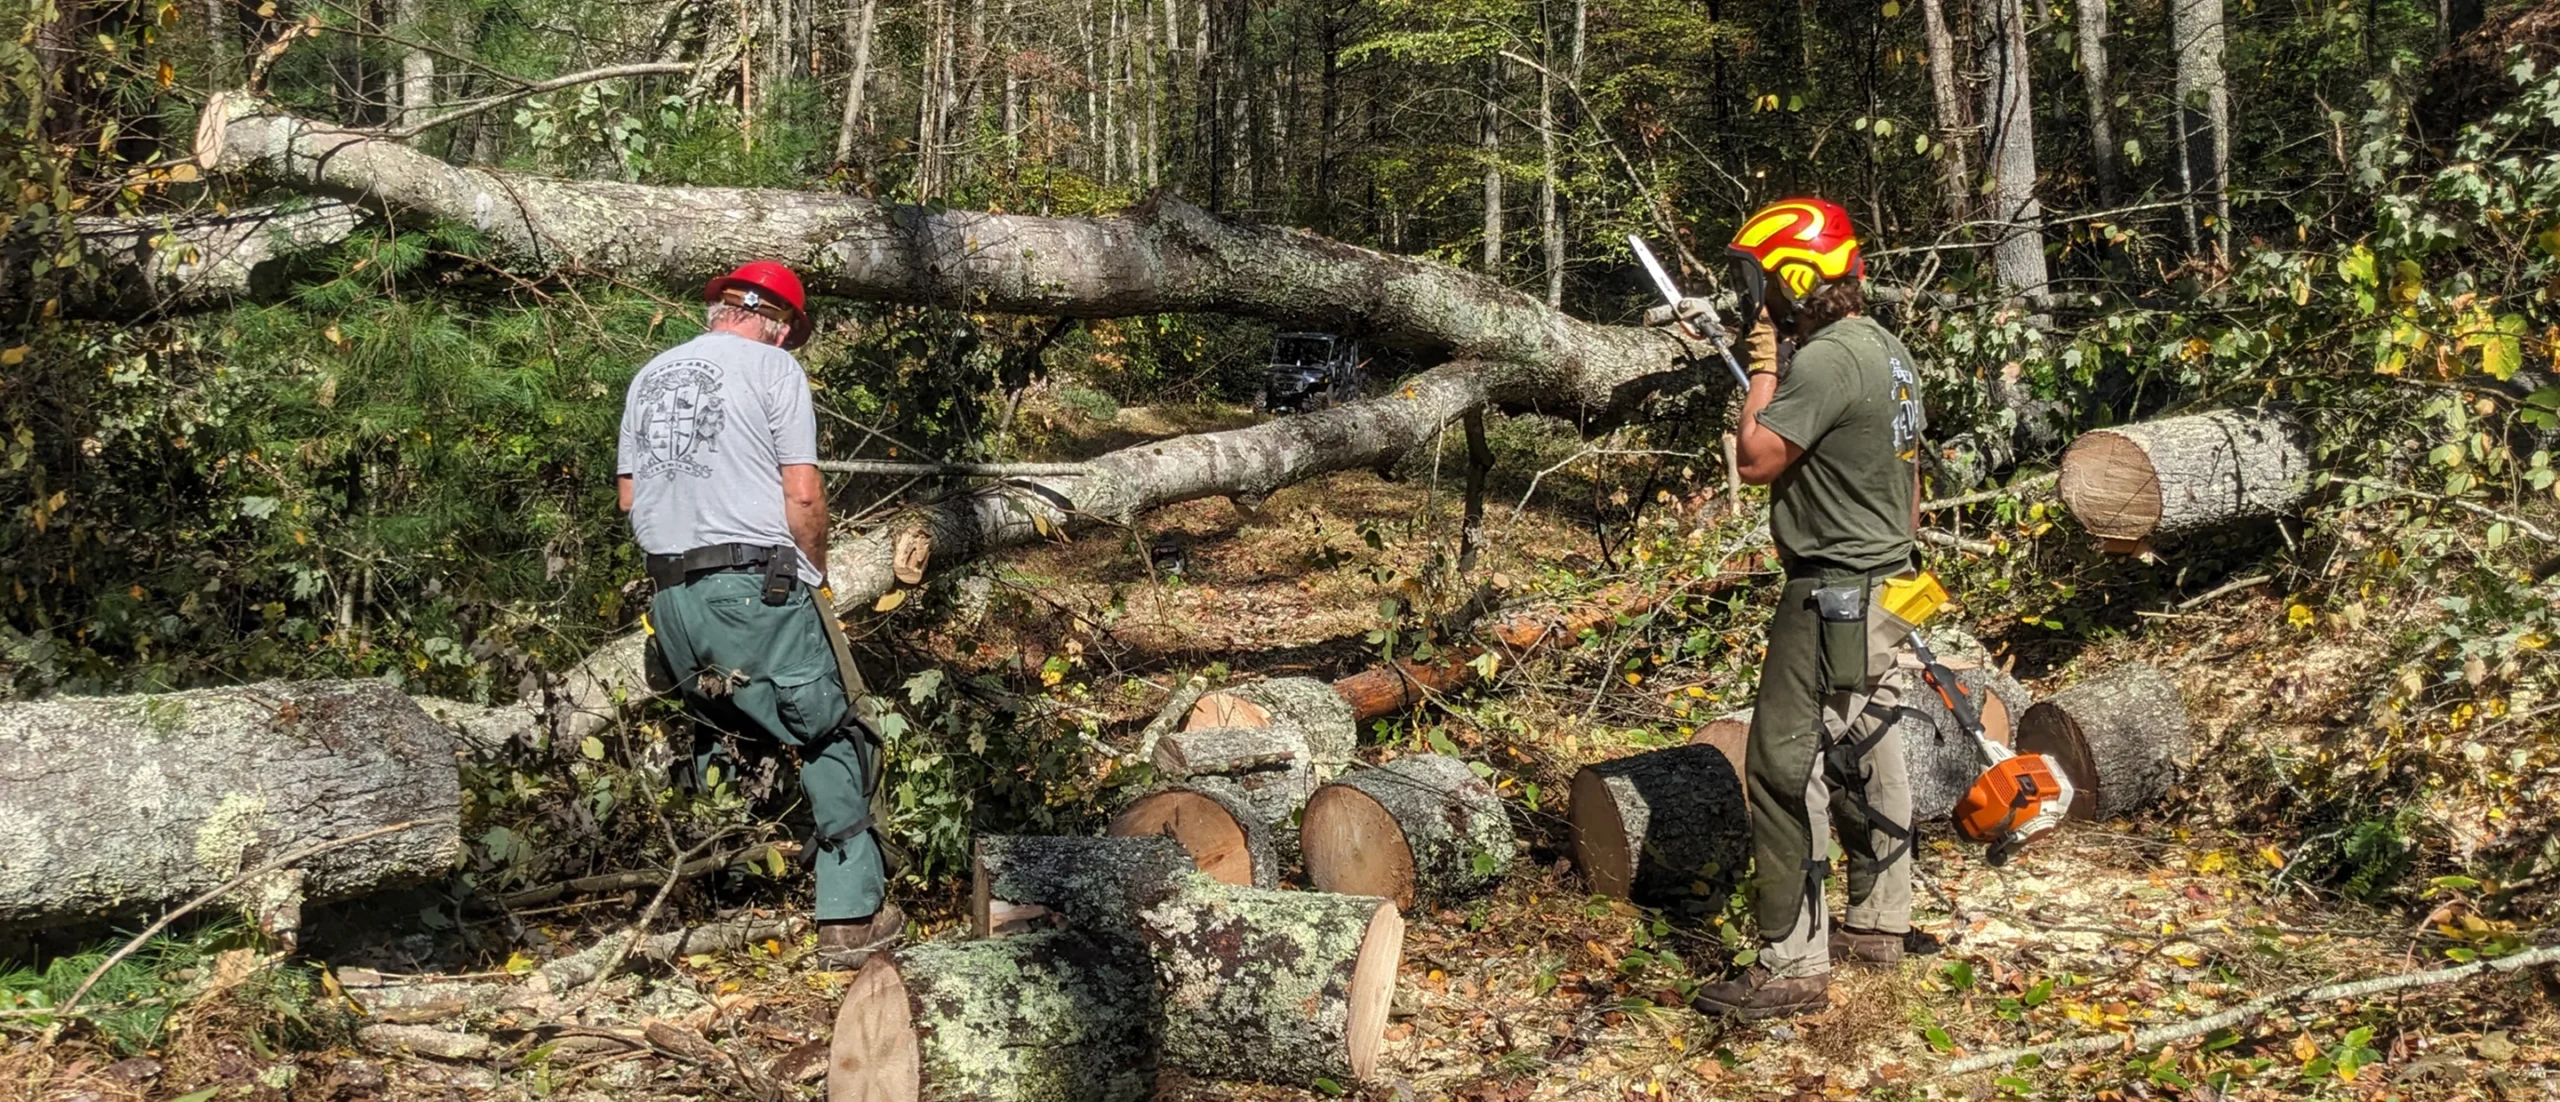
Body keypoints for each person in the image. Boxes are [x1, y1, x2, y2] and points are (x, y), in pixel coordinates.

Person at [616, 260, 902, 968]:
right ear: (777, 328)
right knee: (833, 729)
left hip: (671, 596)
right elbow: (802, 494)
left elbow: (629, 499)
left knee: (725, 731)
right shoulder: (775, 372)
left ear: (720, 310)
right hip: (755, 584)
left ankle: (719, 892)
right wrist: (813, 572)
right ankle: (850, 913)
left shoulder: (651, 375)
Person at [1687, 199, 1929, 1020]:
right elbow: (1913, 492)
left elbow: (1756, 458)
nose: (1757, 301)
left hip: (1828, 589)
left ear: (1795, 276)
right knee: (1870, 742)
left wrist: (1764, 365)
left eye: (1761, 283)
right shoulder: (1889, 353)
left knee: (1785, 766)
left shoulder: (1824, 360)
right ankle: (1879, 921)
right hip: (1886, 579)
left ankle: (1791, 963)